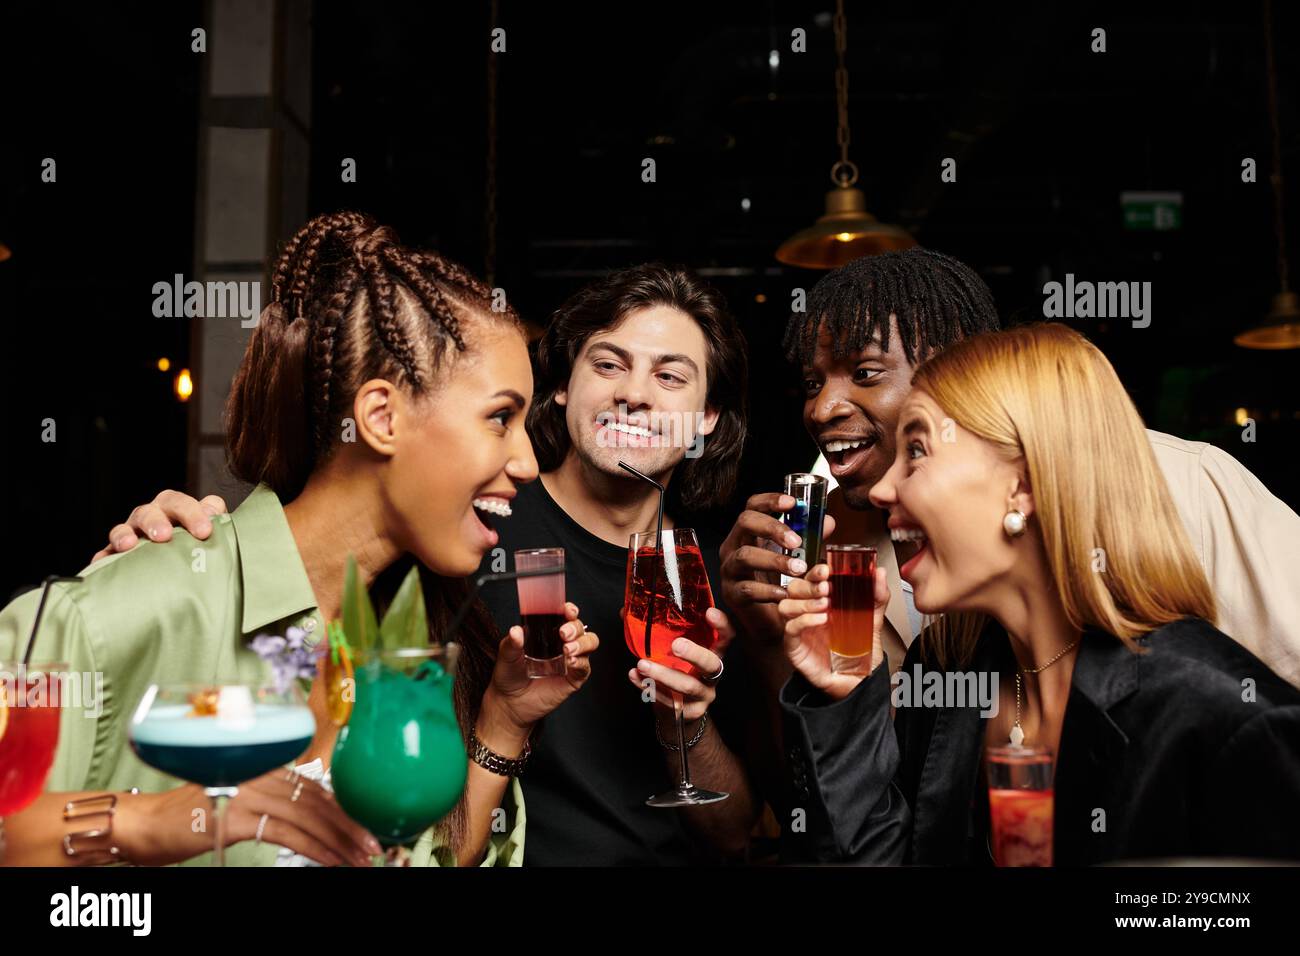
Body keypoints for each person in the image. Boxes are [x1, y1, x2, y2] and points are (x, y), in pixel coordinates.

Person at [86, 262, 761, 865]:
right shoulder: (457, 530)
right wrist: (188, 563)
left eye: (669, 376)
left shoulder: (715, 576)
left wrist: (685, 725)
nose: (634, 394)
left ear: (705, 419)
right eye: (609, 365)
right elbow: (316, 549)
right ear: (564, 387)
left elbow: (734, 834)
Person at [0, 211, 598, 866]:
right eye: (500, 418)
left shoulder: (408, 640)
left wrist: (503, 724)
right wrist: (148, 820)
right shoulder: (131, 607)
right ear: (381, 418)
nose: (528, 463)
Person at [777, 323, 1300, 864]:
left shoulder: (1227, 722)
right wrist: (847, 693)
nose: (884, 489)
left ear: (1022, 485)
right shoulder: (946, 673)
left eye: (917, 450)